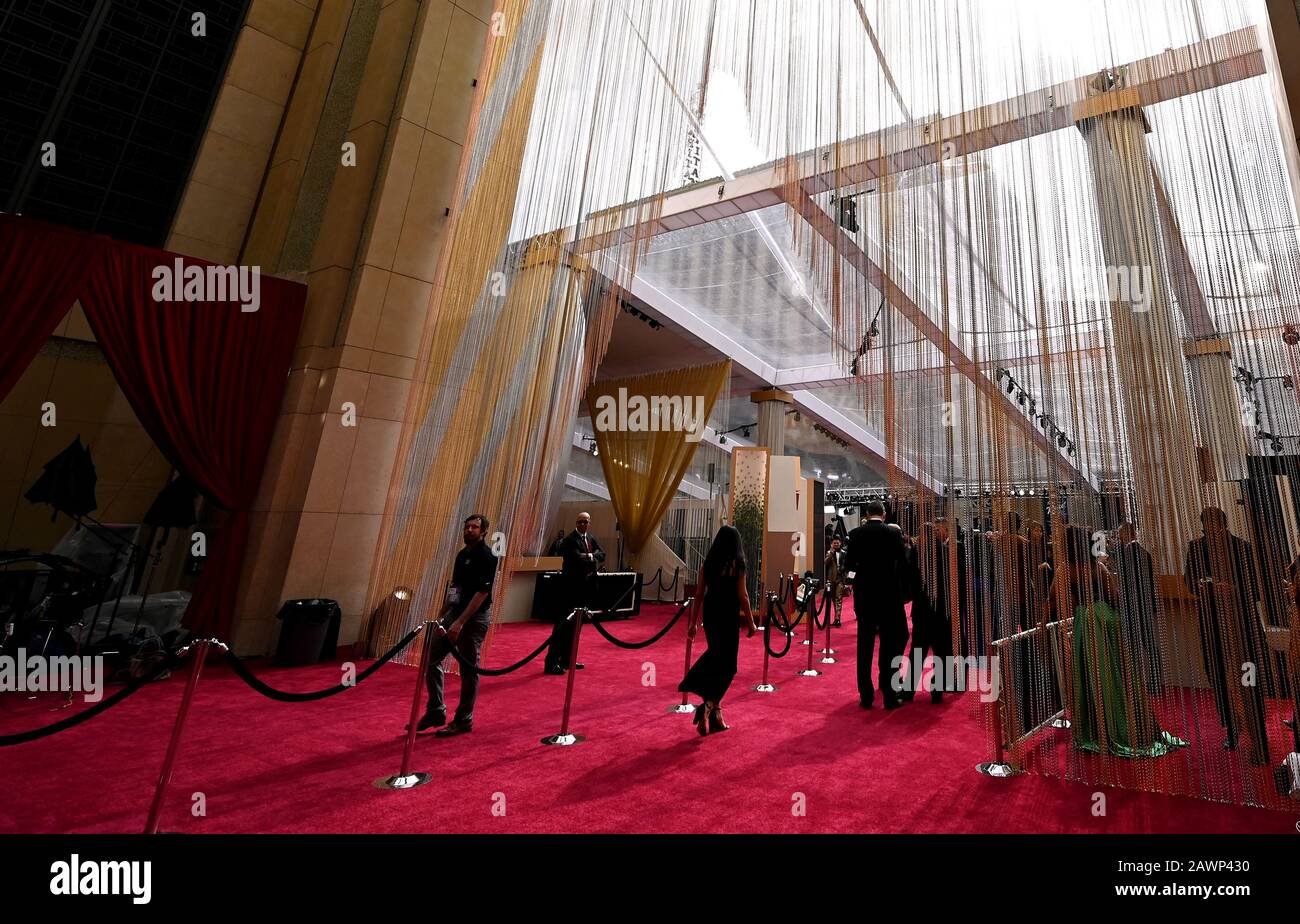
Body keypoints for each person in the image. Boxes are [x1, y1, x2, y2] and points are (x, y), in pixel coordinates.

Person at [1051, 525, 1187, 758]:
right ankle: (1126, 722)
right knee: (1119, 673)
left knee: (1094, 674)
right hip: (1107, 620)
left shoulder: (1066, 570)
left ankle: (1099, 729)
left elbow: (1056, 598)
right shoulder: (1098, 567)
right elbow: (1114, 597)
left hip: (1088, 622)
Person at [1184, 507, 1270, 763]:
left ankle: (1258, 731)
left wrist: (1231, 590)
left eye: (1213, 525)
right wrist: (1204, 588)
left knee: (1248, 675)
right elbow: (1189, 582)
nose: (1210, 531)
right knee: (1217, 672)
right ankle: (1232, 727)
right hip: (1211, 622)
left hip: (1242, 622)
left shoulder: (1241, 548)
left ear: (1222, 525)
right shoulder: (1197, 548)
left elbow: (1255, 587)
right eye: (1206, 526)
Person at [410, 513, 498, 737]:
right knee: (431, 659)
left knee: (468, 668)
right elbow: (455, 589)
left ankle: (464, 719)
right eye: (467, 526)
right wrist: (441, 616)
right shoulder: (461, 555)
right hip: (455, 613)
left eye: (474, 527)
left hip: (475, 617)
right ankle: (436, 710)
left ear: (484, 532)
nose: (469, 530)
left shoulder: (487, 556)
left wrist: (460, 622)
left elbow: (482, 593)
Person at [679, 525, 757, 735]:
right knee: (729, 667)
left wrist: (693, 623)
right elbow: (744, 596)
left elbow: (698, 594)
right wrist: (750, 622)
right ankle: (709, 706)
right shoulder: (737, 564)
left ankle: (715, 715)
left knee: (716, 661)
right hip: (728, 615)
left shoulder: (708, 563)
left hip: (711, 614)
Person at [845, 500, 911, 709]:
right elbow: (902, 565)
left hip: (864, 599)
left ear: (866, 513)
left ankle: (866, 696)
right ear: (883, 514)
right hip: (889, 598)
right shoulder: (893, 534)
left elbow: (849, 567)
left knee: (864, 648)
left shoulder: (855, 534)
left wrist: (854, 581)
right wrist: (903, 592)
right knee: (889, 645)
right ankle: (890, 695)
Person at [545, 511, 605, 674]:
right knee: (563, 626)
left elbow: (602, 554)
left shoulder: (591, 538)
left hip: (584, 591)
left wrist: (589, 555)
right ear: (576, 523)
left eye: (586, 522)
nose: (583, 525)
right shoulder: (568, 540)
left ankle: (567, 659)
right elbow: (575, 558)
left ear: (589, 523)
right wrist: (593, 557)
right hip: (569, 590)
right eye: (580, 522)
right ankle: (551, 662)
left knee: (576, 627)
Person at [902, 521, 953, 703]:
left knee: (918, 650)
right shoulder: (946, 552)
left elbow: (912, 581)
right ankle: (937, 690)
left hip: (923, 610)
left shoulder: (917, 553)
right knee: (941, 651)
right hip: (941, 610)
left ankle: (909, 690)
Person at [1113, 522, 1164, 693]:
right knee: (1149, 644)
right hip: (1146, 605)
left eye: (1120, 535)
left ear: (1126, 534)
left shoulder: (1127, 552)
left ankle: (1136, 684)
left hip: (1132, 606)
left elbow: (1125, 581)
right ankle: (1156, 682)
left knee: (1134, 646)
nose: (1118, 539)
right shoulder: (1145, 553)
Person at [824, 536, 847, 628]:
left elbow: (846, 565)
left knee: (838, 598)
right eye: (834, 543)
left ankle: (837, 619)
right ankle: (831, 618)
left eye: (837, 543)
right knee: (832, 599)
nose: (836, 544)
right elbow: (825, 563)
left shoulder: (844, 553)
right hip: (831, 579)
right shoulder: (829, 553)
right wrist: (831, 554)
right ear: (831, 544)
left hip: (840, 579)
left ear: (840, 543)